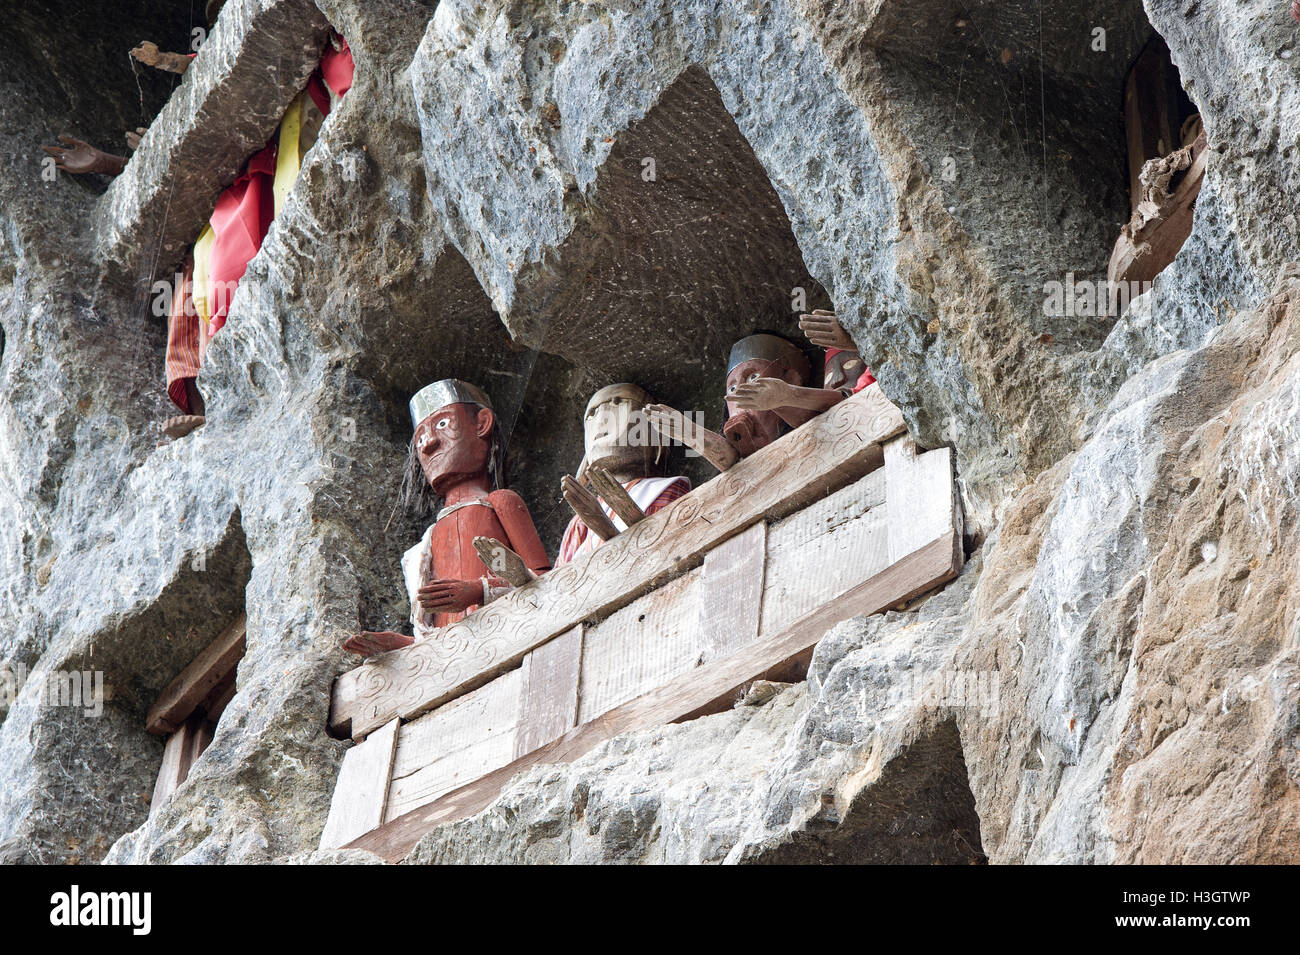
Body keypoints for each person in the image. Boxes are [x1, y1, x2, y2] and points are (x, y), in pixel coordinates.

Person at [341, 381, 551, 657]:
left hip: (505, 640)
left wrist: (478, 591)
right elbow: (438, 636)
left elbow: (546, 582)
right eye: (419, 438)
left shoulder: (500, 503)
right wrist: (400, 645)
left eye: (442, 424)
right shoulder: (424, 545)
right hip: (454, 660)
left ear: (482, 424)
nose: (428, 444)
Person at [556, 384, 691, 564]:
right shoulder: (579, 519)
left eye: (618, 402)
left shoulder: (665, 489)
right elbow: (561, 580)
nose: (602, 417)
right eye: (592, 414)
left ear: (655, 438)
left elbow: (670, 554)